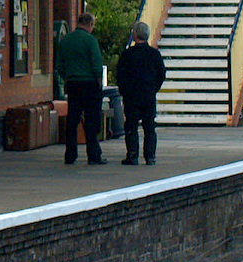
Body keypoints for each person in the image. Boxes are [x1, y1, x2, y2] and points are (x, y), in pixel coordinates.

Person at [56, 12, 106, 165]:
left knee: (73, 120)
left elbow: (59, 64)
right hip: (90, 84)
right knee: (91, 120)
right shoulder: (90, 41)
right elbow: (97, 65)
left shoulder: (66, 41)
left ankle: (70, 154)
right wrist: (98, 80)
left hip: (72, 84)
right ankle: (93, 155)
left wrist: (67, 76)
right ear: (89, 24)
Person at [115, 21, 166, 165]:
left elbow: (120, 75)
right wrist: (153, 88)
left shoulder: (127, 55)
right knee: (149, 126)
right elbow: (161, 74)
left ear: (134, 35)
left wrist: (124, 90)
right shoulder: (154, 54)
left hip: (131, 96)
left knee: (131, 126)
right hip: (148, 95)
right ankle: (150, 156)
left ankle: (132, 155)